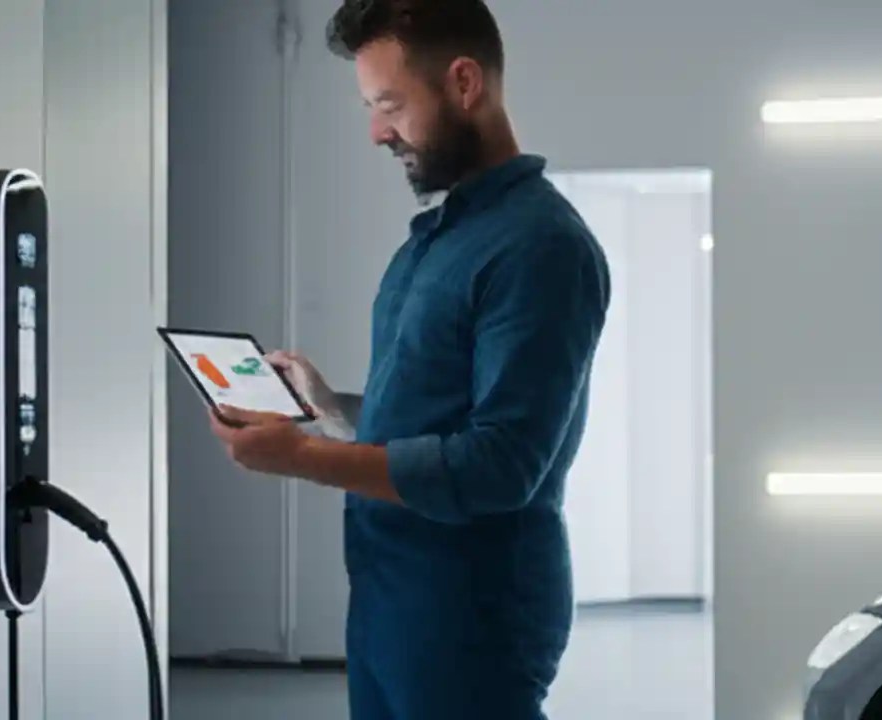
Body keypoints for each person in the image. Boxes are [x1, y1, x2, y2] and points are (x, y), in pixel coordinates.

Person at [207, 1, 610, 718]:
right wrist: (330, 409)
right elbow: (433, 414)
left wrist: (300, 455)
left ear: (463, 84)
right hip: (390, 600)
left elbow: (502, 464)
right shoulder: (436, 240)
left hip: (471, 614)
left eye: (388, 104)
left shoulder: (540, 246)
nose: (375, 132)